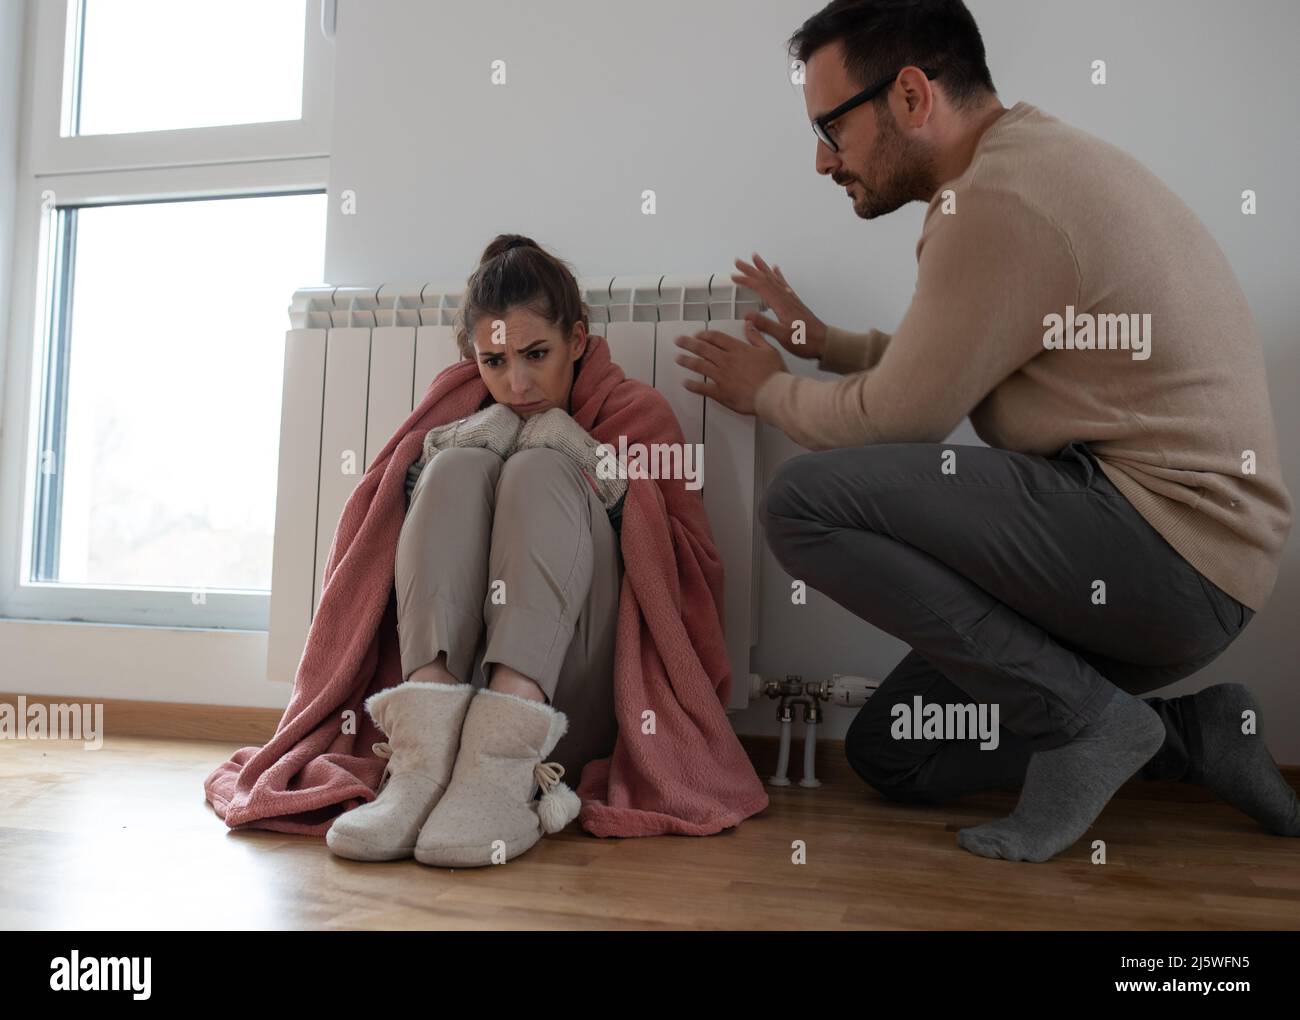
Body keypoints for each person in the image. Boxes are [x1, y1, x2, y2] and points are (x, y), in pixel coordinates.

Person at [673, 0, 1296, 862]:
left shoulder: (999, 198)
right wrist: (822, 344)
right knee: (897, 751)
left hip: (1169, 550)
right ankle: (1192, 734)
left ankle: (1086, 725)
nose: (822, 159)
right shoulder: (1024, 168)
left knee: (801, 504)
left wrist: (771, 392)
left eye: (829, 127)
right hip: (1157, 564)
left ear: (913, 97)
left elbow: (904, 415)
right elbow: (952, 364)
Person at [326, 234, 630, 867]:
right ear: (472, 354)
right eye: (494, 362)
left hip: (566, 710)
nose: (516, 383)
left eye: (537, 354)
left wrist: (559, 440)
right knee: (455, 467)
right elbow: (384, 518)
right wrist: (470, 438)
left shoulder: (632, 410)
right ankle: (422, 767)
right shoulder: (457, 412)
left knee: (541, 470)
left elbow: (664, 559)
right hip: (453, 704)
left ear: (577, 340)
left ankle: (501, 769)